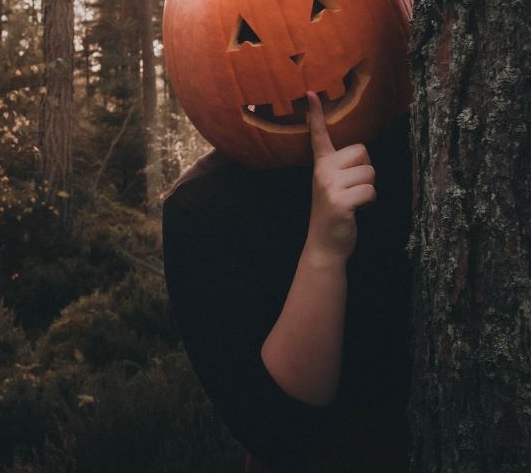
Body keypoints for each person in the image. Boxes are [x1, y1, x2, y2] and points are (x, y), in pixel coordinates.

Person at [162, 89, 413, 473]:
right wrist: (324, 251)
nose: (296, 55)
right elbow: (282, 431)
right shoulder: (202, 207)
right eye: (250, 31)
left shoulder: (426, 140)